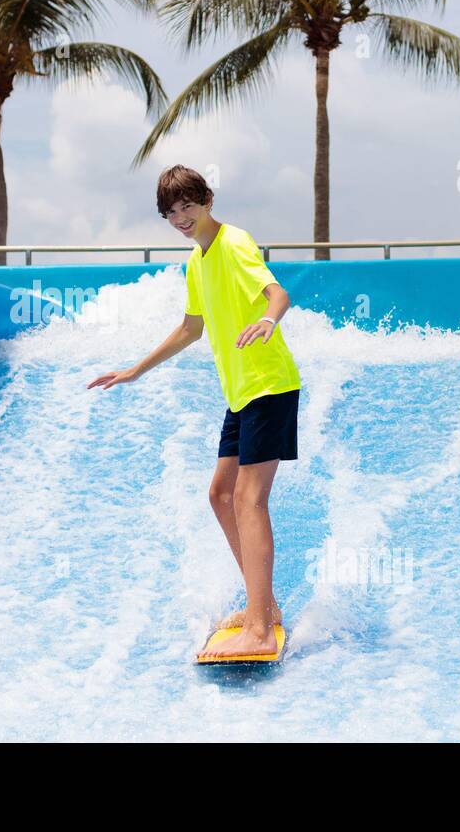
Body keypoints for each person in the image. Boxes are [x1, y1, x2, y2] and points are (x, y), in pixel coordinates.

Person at [87, 165, 302, 660]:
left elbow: (278, 293)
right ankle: (262, 607)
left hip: (269, 385)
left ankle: (261, 629)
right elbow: (190, 329)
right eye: (170, 213)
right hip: (242, 393)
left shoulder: (233, 243)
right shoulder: (196, 263)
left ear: (207, 199)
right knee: (220, 494)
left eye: (188, 206)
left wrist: (269, 320)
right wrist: (135, 370)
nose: (181, 218)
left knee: (249, 499)